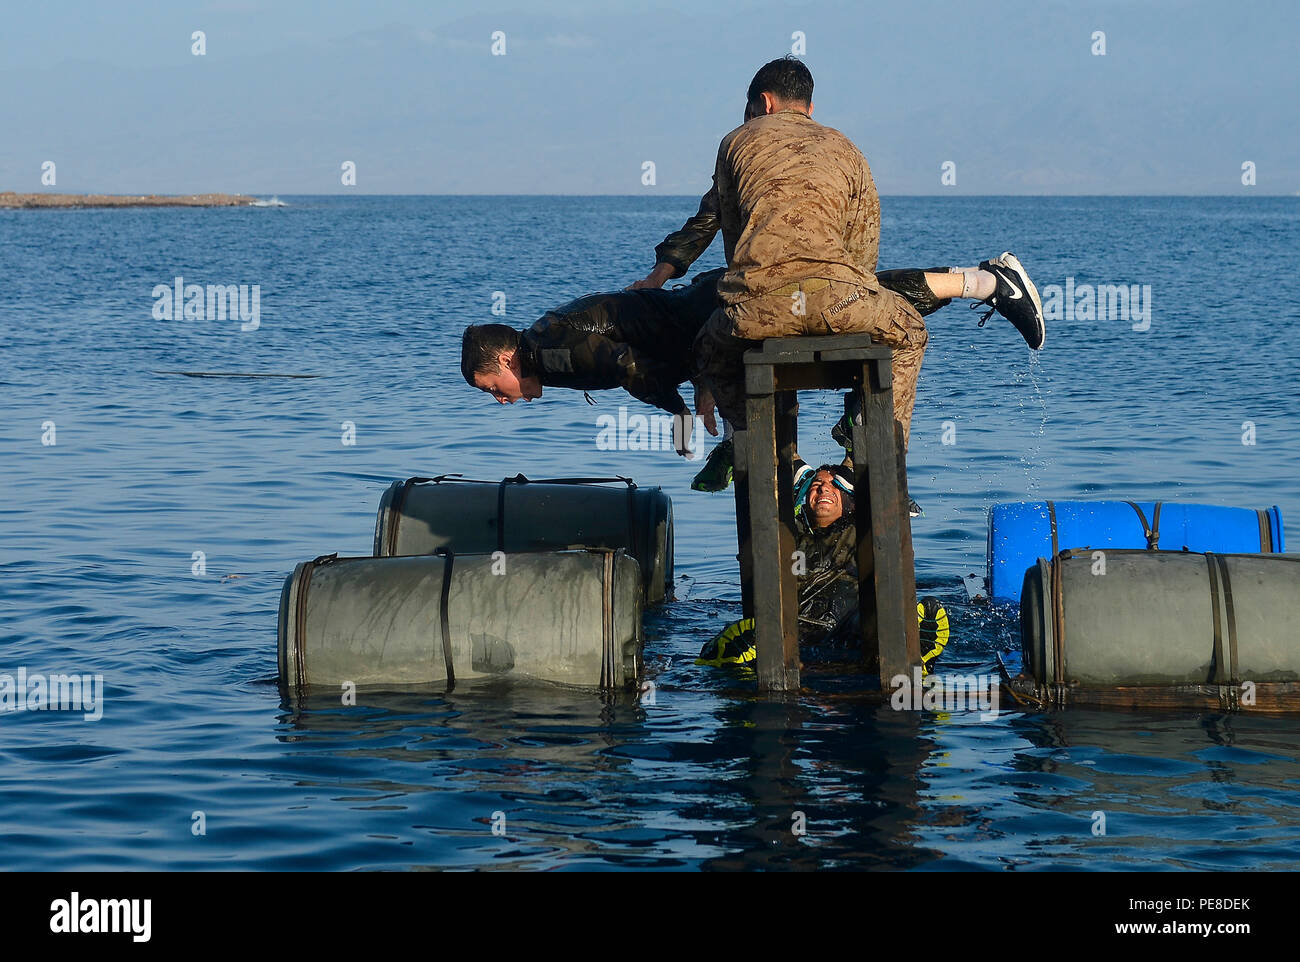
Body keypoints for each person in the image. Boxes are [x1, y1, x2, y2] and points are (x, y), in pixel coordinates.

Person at [629, 56, 1044, 487]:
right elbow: (863, 257)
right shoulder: (847, 150)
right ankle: (873, 457)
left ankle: (768, 458)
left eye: (749, 111)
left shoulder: (735, 142)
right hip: (839, 299)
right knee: (909, 334)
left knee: (709, 350)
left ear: (764, 104)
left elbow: (721, 230)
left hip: (757, 309)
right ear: (808, 108)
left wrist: (658, 279)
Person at [462, 255, 1040, 465]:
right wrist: (703, 381)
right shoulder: (547, 339)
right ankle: (980, 280)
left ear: (507, 356)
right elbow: (643, 352)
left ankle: (987, 282)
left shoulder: (551, 352)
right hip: (708, 313)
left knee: (851, 303)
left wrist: (683, 411)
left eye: (494, 387)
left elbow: (629, 367)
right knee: (850, 297)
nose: (499, 400)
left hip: (717, 309)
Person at [696, 463, 950, 668]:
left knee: (882, 620)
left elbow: (893, 499)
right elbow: (780, 464)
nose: (824, 489)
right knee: (751, 635)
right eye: (817, 485)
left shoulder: (861, 529)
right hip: (795, 630)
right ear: (804, 496)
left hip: (850, 629)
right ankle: (726, 655)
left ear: (849, 498)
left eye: (834, 486)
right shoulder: (786, 531)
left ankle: (914, 648)